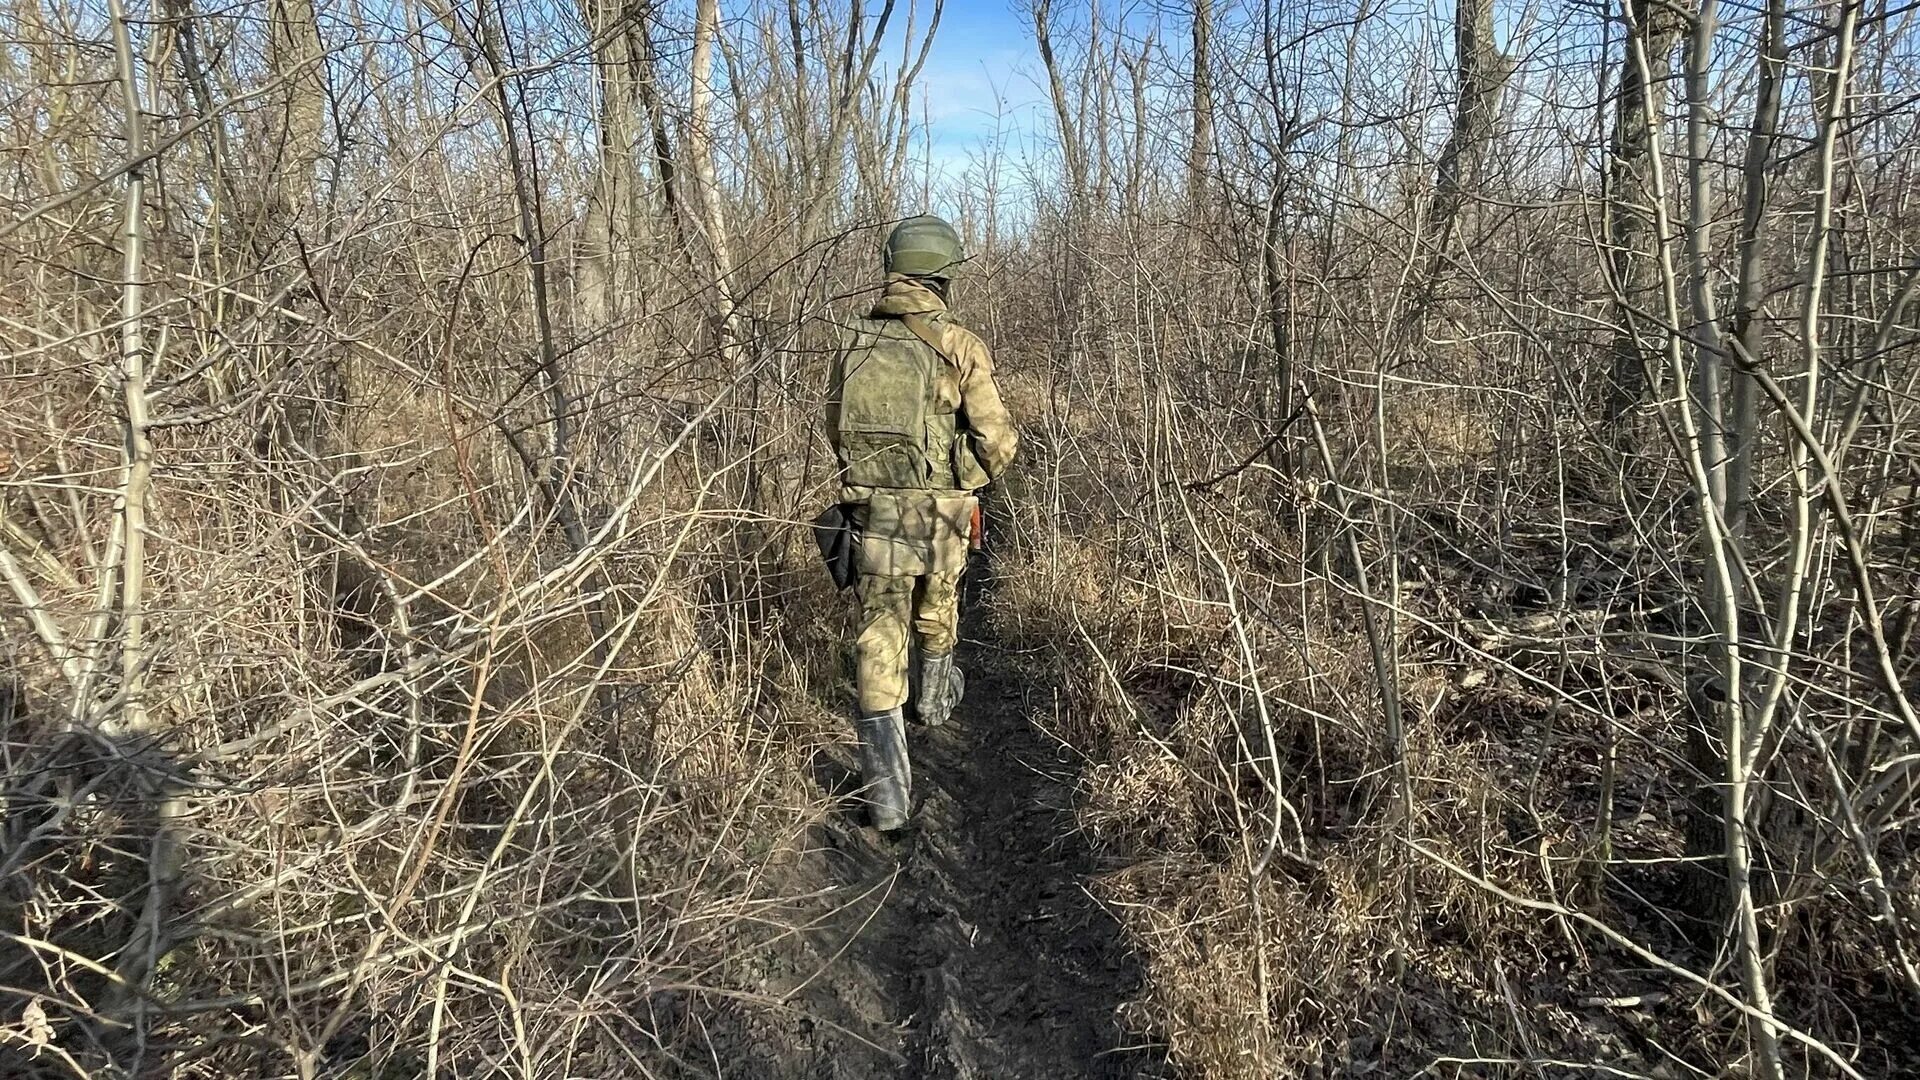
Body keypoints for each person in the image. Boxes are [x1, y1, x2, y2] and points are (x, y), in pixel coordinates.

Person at [824, 215, 1019, 831]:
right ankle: (932, 703)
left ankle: (886, 797)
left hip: (874, 511)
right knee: (937, 606)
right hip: (941, 512)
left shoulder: (852, 341)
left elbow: (837, 429)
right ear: (943, 276)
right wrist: (963, 478)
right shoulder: (959, 344)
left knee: (879, 631)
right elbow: (997, 441)